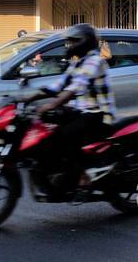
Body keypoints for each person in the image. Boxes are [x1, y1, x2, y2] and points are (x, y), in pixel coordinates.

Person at [37, 24, 116, 187]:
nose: (70, 46)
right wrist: (26, 99)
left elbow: (74, 89)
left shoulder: (95, 61)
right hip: (82, 112)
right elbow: (57, 86)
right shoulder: (77, 63)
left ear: (85, 42)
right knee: (48, 130)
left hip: (100, 115)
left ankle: (83, 174)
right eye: (69, 42)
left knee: (64, 135)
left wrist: (50, 105)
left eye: (73, 42)